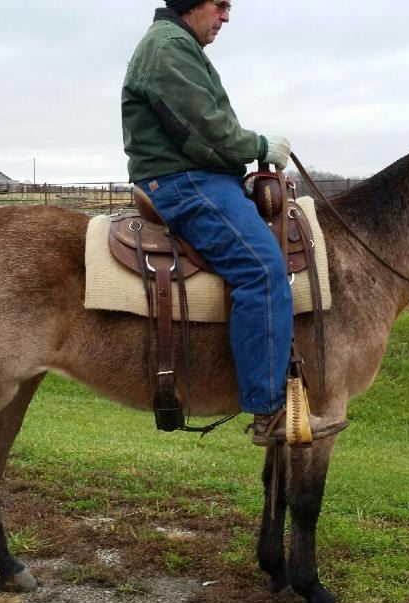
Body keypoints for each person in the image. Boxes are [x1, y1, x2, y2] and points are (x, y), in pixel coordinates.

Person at [122, 0, 293, 445]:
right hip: (183, 182)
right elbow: (206, 128)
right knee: (262, 268)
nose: (226, 17)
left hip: (198, 176)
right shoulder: (168, 48)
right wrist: (260, 146)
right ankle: (269, 409)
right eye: (220, 5)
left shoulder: (178, 45)